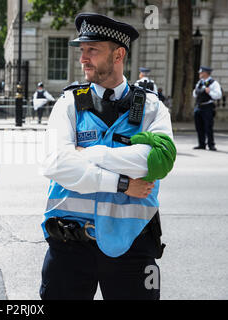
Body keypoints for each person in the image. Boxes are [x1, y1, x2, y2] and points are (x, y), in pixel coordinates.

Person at [39, 13, 176, 300]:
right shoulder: (68, 104)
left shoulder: (151, 107)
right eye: (81, 50)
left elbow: (156, 161)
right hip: (70, 244)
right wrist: (122, 183)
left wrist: (90, 153)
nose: (83, 59)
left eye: (92, 50)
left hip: (133, 244)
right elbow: (55, 163)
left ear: (119, 54)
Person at [192, 66, 222, 151]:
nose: (199, 74)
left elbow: (218, 95)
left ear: (205, 73)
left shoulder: (213, 83)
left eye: (201, 72)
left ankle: (211, 144)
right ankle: (201, 144)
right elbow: (194, 94)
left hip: (207, 107)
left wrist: (210, 92)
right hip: (199, 106)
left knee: (208, 126)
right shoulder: (200, 82)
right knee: (199, 126)